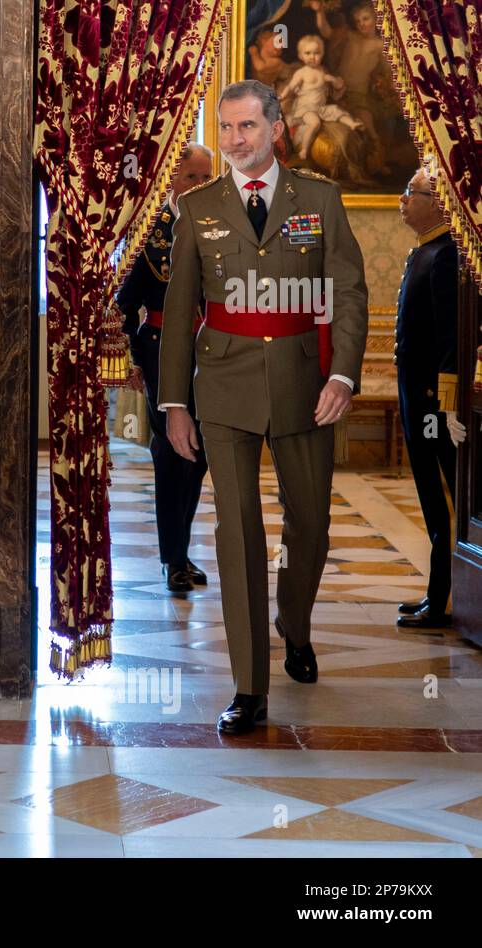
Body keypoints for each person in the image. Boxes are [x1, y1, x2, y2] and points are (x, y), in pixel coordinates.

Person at [158, 80, 369, 734]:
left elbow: (351, 293)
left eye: (247, 127)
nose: (235, 140)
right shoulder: (198, 208)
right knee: (238, 531)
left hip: (306, 385)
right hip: (223, 385)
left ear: (275, 128)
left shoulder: (321, 201)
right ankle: (249, 687)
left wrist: (343, 375)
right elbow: (177, 312)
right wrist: (174, 402)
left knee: (310, 523)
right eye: (226, 128)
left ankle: (295, 623)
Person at [117, 142, 214, 593]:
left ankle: (181, 551)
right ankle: (172, 558)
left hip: (214, 356)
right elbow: (125, 304)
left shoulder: (221, 228)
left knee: (200, 458)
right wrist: (131, 359)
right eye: (191, 176)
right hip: (160, 355)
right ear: (172, 179)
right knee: (171, 456)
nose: (199, 185)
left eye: (206, 177)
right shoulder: (149, 234)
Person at [393, 169, 462, 631]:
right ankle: (436, 594)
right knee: (429, 496)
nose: (402, 200)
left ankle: (448, 601)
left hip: (432, 402)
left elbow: (449, 338)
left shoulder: (445, 255)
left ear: (437, 202)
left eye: (410, 193)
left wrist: (443, 402)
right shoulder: (425, 250)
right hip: (416, 396)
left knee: (443, 497)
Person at [281, 35, 363, 162]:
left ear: (322, 54)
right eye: (307, 53)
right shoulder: (301, 72)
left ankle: (352, 124)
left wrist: (332, 79)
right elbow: (290, 87)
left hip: (320, 107)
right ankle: (304, 149)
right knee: (315, 123)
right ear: (300, 56)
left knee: (336, 110)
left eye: (316, 53)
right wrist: (282, 96)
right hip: (305, 109)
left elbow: (339, 86)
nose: (312, 57)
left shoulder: (323, 72)